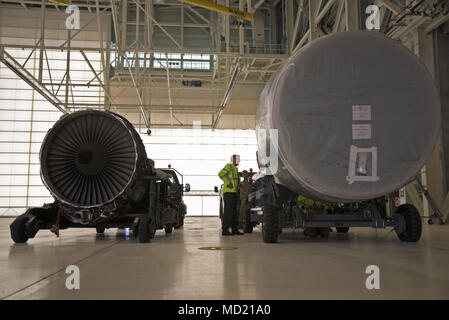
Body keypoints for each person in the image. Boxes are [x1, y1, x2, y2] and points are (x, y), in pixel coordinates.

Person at [218, 155, 243, 236]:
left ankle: (234, 229)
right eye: (237, 159)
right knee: (228, 212)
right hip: (228, 193)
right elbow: (220, 174)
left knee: (234, 212)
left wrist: (239, 185)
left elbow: (235, 181)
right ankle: (225, 230)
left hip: (234, 193)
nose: (239, 161)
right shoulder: (229, 166)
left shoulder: (235, 169)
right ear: (233, 159)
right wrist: (228, 183)